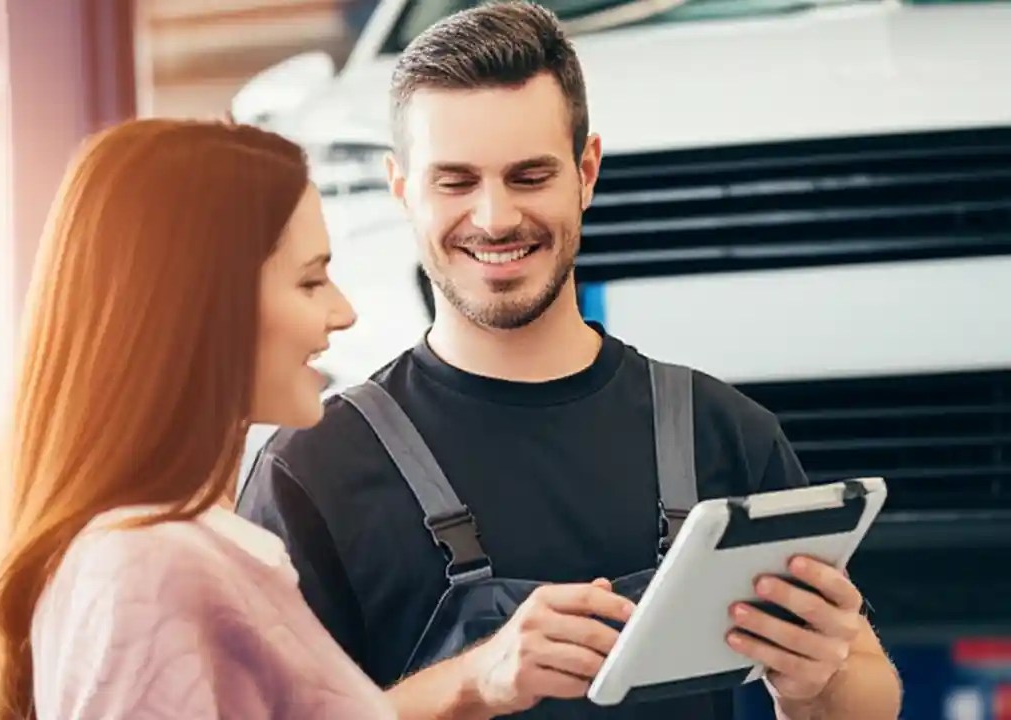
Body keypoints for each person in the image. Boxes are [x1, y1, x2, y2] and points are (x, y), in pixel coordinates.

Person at [237, 3, 904, 719]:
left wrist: (823, 683)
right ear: (403, 188)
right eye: (455, 182)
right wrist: (473, 682)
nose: (494, 219)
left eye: (529, 177)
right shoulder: (313, 470)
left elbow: (866, 688)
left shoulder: (726, 434)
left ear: (586, 172)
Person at [0, 118, 393, 720]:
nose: (341, 312)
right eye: (311, 280)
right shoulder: (151, 567)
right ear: (206, 304)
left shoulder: (139, 555)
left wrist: (475, 684)